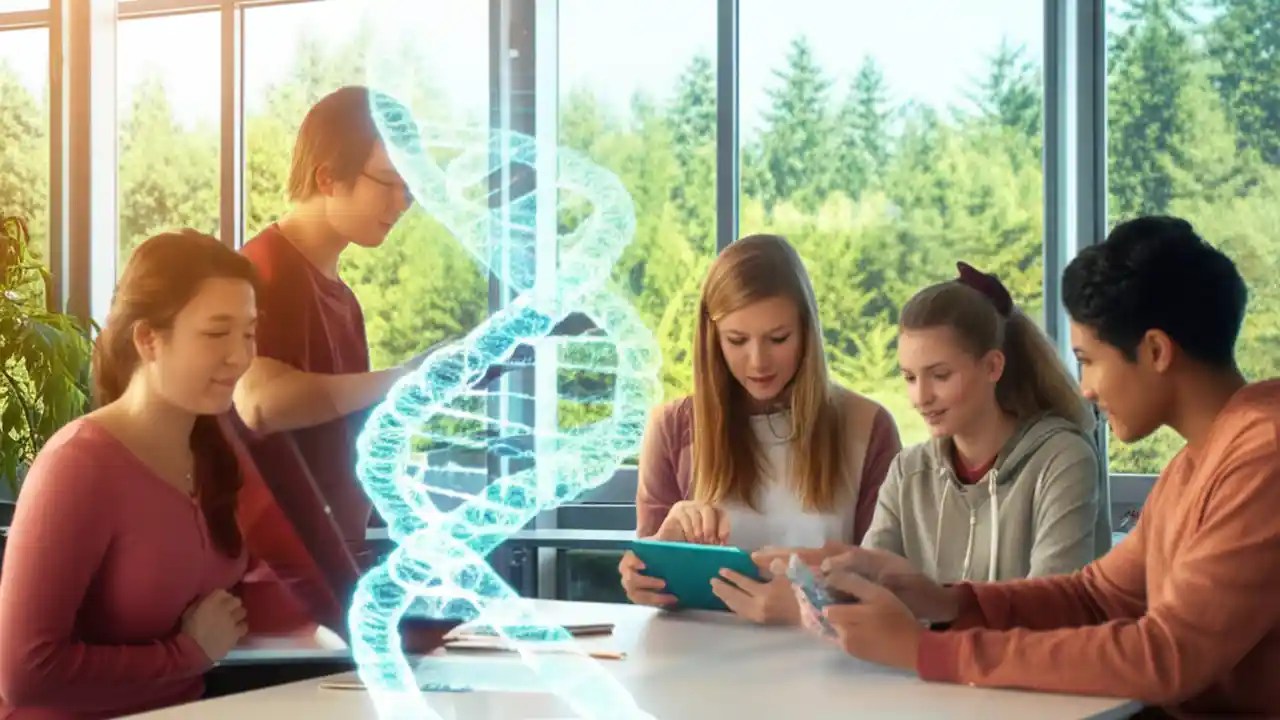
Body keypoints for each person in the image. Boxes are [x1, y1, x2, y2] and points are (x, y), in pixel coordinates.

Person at [795, 216, 1280, 717]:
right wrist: (944, 602)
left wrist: (925, 650)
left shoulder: (1264, 456)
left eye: (1088, 360)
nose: (1085, 388)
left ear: (1155, 351)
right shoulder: (1197, 460)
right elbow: (1097, 597)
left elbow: (1164, 655)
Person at [0, 231, 313, 719]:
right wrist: (185, 655)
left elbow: (253, 601)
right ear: (148, 339)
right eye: (216, 333)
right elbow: (24, 674)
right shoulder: (79, 467)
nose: (240, 356)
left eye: (249, 333)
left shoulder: (218, 449)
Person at [619, 234, 901, 625]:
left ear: (807, 330)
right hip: (701, 668)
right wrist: (651, 564)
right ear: (712, 337)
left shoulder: (868, 426)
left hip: (830, 670)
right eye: (736, 340)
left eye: (778, 338)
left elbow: (890, 589)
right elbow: (651, 593)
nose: (758, 361)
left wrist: (808, 609)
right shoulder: (671, 427)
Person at [859, 261, 1108, 582]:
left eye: (940, 375)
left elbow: (1052, 607)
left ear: (992, 366)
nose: (920, 397)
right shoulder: (907, 472)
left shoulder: (1062, 460)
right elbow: (867, 588)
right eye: (909, 377)